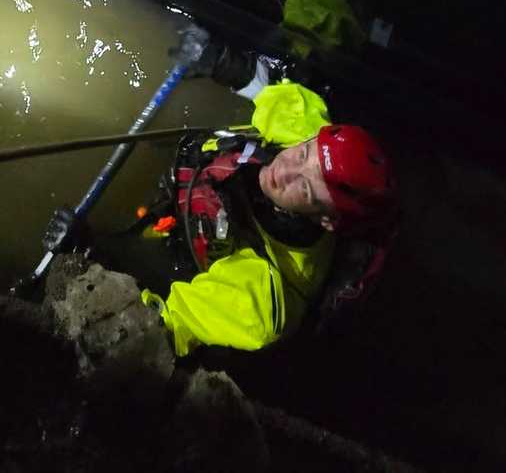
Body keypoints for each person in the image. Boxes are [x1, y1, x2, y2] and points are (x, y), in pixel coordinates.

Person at [134, 45, 397, 357]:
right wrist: (221, 61)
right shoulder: (311, 137)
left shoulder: (263, 299)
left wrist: (86, 247)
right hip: (194, 171)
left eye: (305, 189)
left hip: (178, 233)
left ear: (326, 220)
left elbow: (160, 330)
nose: (285, 170)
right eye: (301, 154)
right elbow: (270, 88)